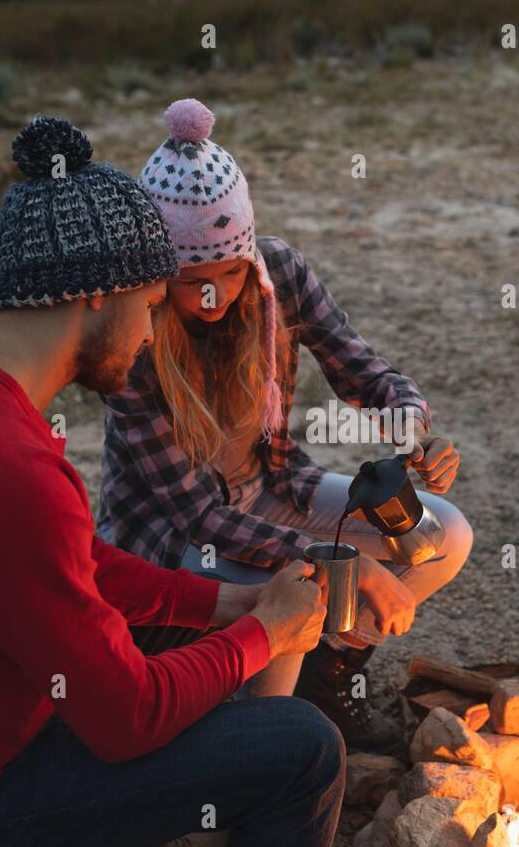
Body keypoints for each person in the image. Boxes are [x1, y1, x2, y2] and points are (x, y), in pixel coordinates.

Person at [0, 116, 342, 847]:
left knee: (171, 653)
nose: (151, 337)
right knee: (301, 748)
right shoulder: (7, 468)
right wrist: (263, 635)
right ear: (93, 294)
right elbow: (127, 719)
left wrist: (227, 604)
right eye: (149, 309)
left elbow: (67, 561)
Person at [97, 99, 473, 752]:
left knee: (445, 535)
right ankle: (266, 755)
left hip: (273, 486)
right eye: (192, 281)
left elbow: (363, 373)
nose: (213, 296)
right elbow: (197, 518)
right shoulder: (137, 340)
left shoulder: (281, 278)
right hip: (174, 538)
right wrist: (333, 561)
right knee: (295, 593)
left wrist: (411, 430)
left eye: (228, 272)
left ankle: (328, 676)